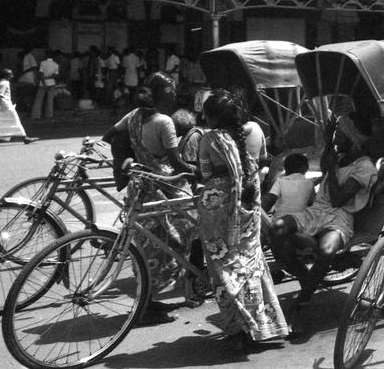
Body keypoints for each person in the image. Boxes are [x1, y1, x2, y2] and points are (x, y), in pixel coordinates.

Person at [196, 90, 290, 348]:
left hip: (216, 211)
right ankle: (264, 324)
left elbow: (204, 173)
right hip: (248, 208)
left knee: (222, 269)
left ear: (211, 117)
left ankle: (237, 331)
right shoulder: (250, 134)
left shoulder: (209, 139)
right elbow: (256, 168)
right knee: (251, 264)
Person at [269, 105, 379, 307]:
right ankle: (306, 279)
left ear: (353, 140)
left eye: (340, 136)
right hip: (315, 211)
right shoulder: (339, 155)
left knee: (327, 252)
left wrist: (333, 168)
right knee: (275, 229)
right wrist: (328, 141)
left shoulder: (365, 167)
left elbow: (338, 200)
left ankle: (304, 299)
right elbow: (324, 164)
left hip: (340, 217)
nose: (337, 140)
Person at [103, 72, 195, 313]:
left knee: (145, 244)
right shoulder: (164, 122)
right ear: (163, 95)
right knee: (190, 226)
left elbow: (110, 136)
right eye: (171, 90)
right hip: (164, 187)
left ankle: (146, 295)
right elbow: (177, 164)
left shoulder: (132, 116)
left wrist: (133, 158)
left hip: (139, 186)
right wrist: (197, 171)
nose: (175, 94)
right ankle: (183, 283)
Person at [0, 68, 38, 146]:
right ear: (6, 76)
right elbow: (0, 96)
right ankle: (24, 138)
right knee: (13, 121)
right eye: (10, 74)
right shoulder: (4, 83)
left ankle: (24, 137)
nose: (12, 76)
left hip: (3, 107)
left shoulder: (1, 82)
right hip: (5, 107)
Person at [262, 153, 315, 221]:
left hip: (280, 222)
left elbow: (269, 203)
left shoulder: (280, 181)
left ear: (286, 168)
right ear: (305, 169)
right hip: (301, 224)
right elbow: (312, 205)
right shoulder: (310, 183)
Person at [32, 50, 60, 120]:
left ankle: (36, 115)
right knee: (50, 100)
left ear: (46, 55)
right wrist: (48, 77)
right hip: (52, 83)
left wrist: (44, 81)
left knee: (39, 99)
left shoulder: (42, 63)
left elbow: (41, 74)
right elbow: (55, 75)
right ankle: (49, 115)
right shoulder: (56, 64)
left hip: (43, 83)